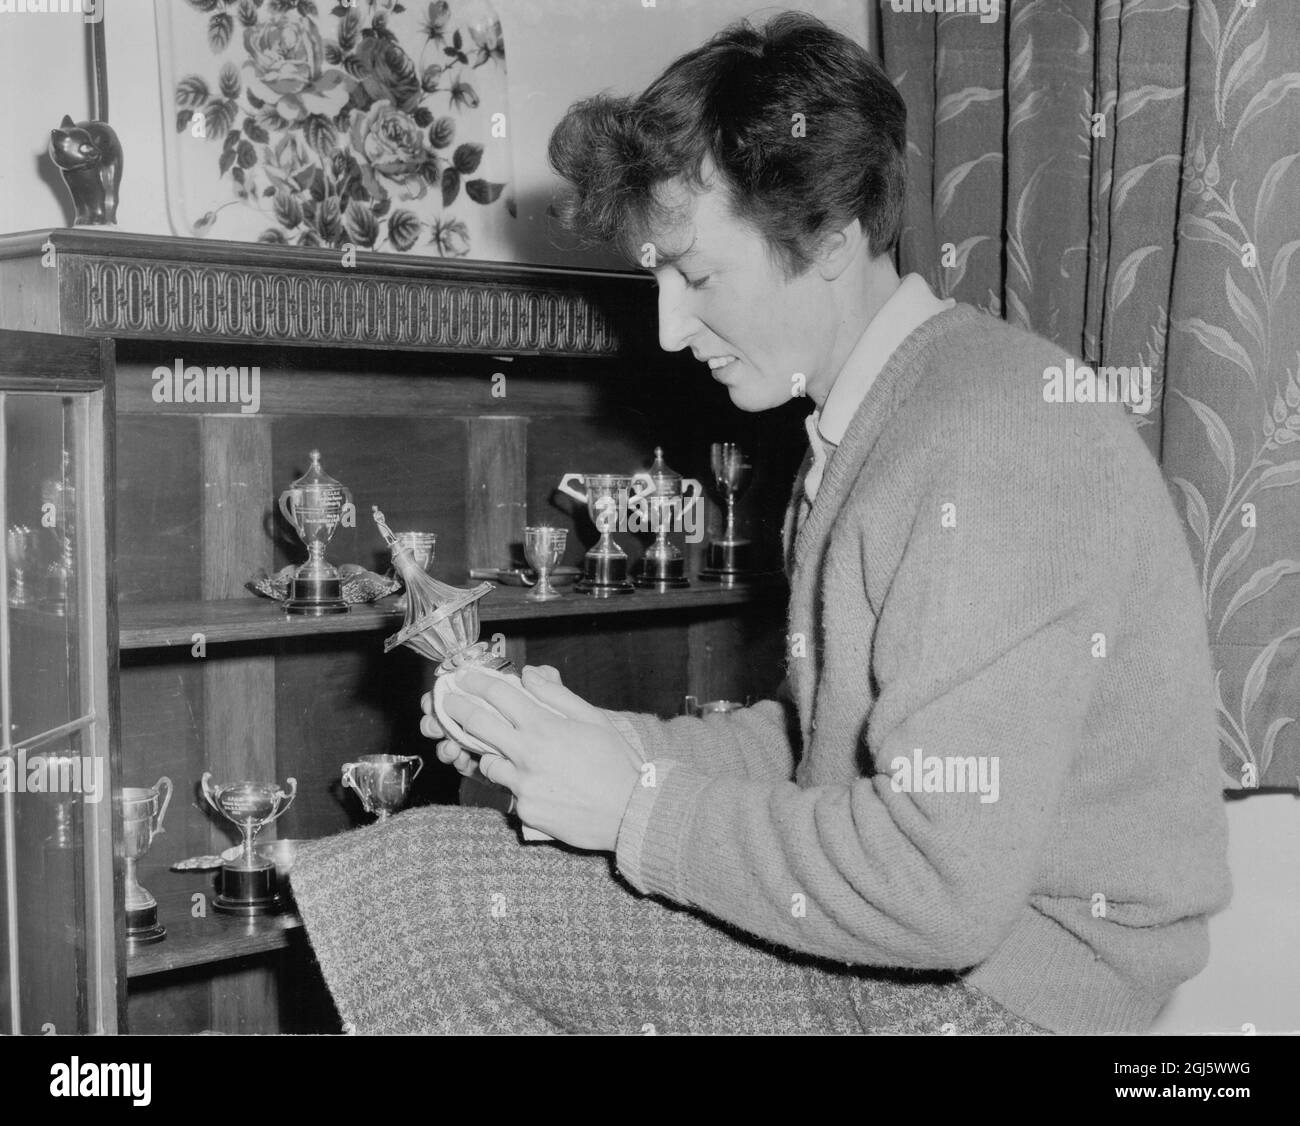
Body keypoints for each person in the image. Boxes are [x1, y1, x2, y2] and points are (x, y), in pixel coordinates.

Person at [288, 11, 1231, 1036]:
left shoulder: (988, 438)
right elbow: (820, 743)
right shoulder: (874, 418)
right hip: (958, 954)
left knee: (429, 893)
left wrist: (631, 808)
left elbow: (937, 885)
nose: (667, 327)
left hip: (1002, 997)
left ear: (827, 240)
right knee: (441, 861)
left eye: (693, 277)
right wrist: (605, 742)